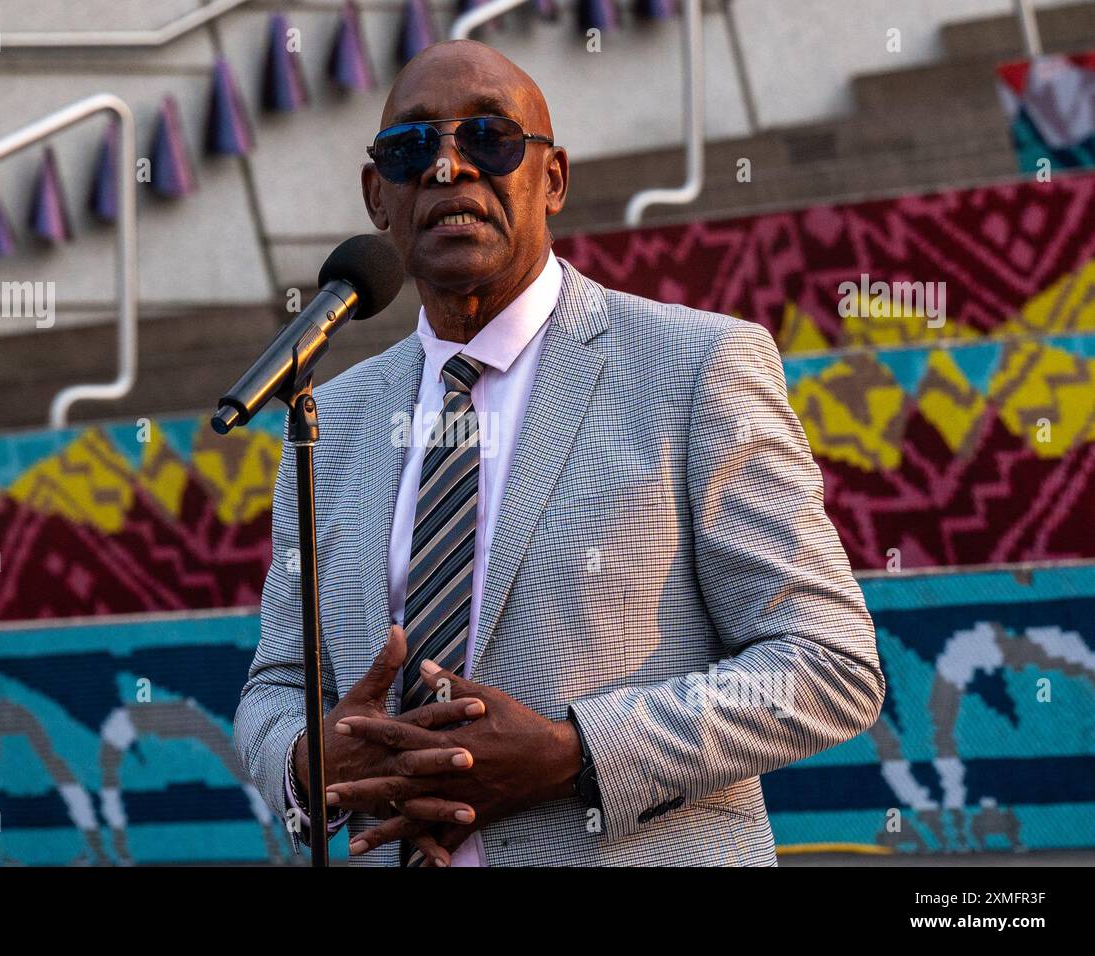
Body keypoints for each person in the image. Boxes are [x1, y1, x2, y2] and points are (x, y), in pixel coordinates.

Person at [234, 39, 884, 866]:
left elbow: (828, 662)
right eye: (411, 147)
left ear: (554, 178)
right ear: (377, 196)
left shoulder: (697, 367)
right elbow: (278, 685)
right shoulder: (329, 419)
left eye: (490, 140)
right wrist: (310, 760)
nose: (447, 168)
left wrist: (576, 755)